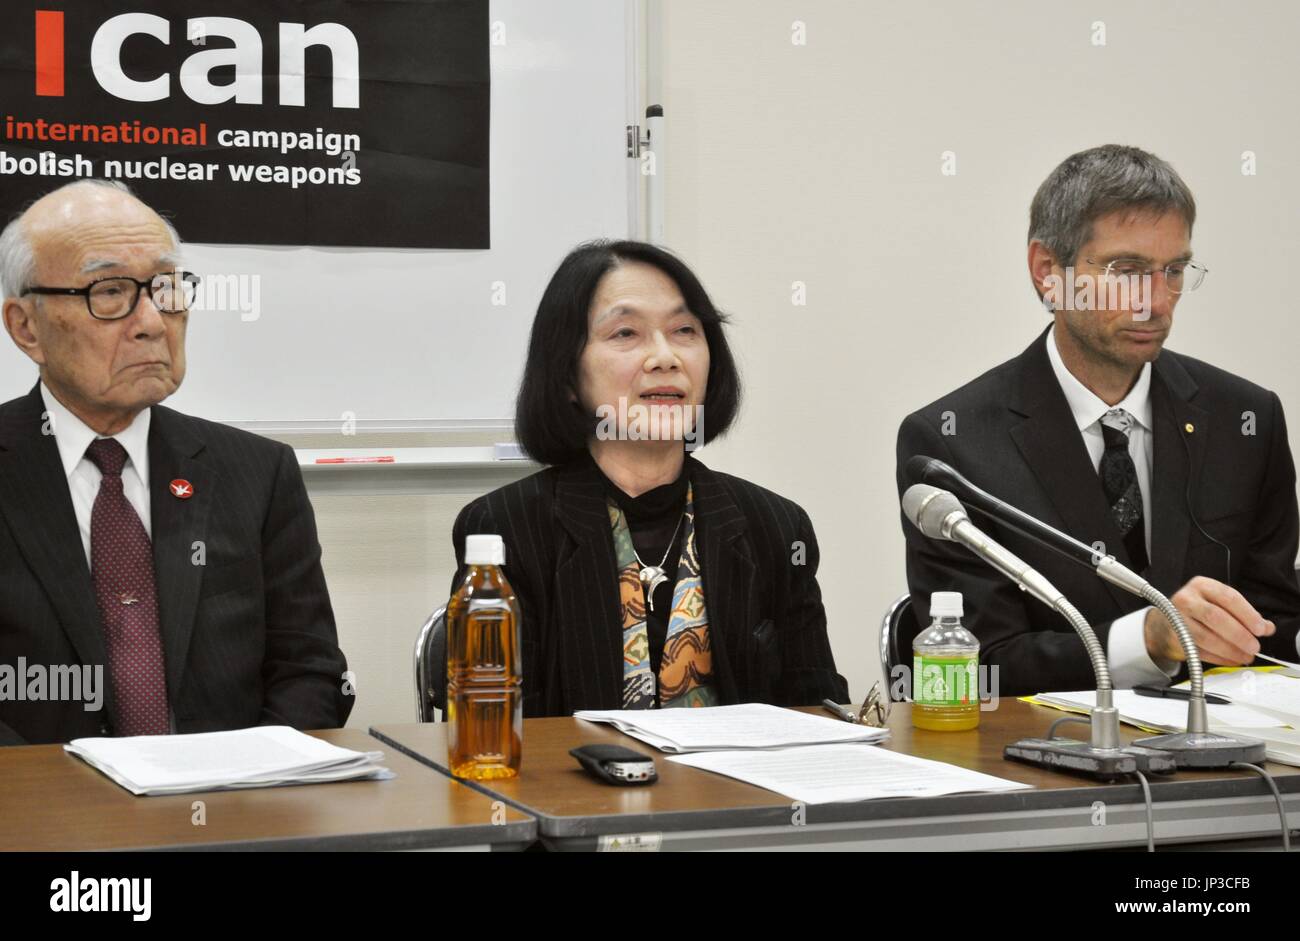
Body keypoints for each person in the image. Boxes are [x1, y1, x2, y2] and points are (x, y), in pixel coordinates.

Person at [896, 144, 1300, 696]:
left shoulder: (1246, 421)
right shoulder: (953, 445)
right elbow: (982, 667)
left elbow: (1275, 626)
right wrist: (1148, 640)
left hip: (1228, 754)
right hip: (1047, 757)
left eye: (1174, 271)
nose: (1156, 303)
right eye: (1127, 271)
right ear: (1047, 272)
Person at [0, 180, 352, 745]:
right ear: (26, 327)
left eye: (164, 288)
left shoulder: (258, 473)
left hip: (228, 811)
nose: (152, 322)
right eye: (110, 291)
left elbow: (310, 672)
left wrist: (241, 784)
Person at [450, 239, 849, 715]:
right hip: (573, 788)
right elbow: (492, 724)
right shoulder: (506, 527)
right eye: (625, 334)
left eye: (684, 330)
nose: (665, 357)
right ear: (566, 376)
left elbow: (816, 710)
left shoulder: (776, 527)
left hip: (739, 791)